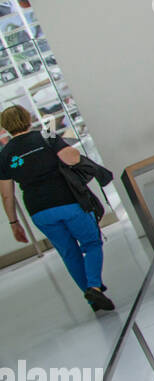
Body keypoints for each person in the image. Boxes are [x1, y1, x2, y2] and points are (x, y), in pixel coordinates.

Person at [0, 105, 115, 312]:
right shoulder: (46, 137)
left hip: (38, 210)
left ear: (5, 126)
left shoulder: (4, 154)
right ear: (27, 118)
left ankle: (92, 300)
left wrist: (13, 222)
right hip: (67, 200)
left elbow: (7, 194)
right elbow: (71, 158)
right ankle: (94, 288)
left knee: (69, 253)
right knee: (91, 243)